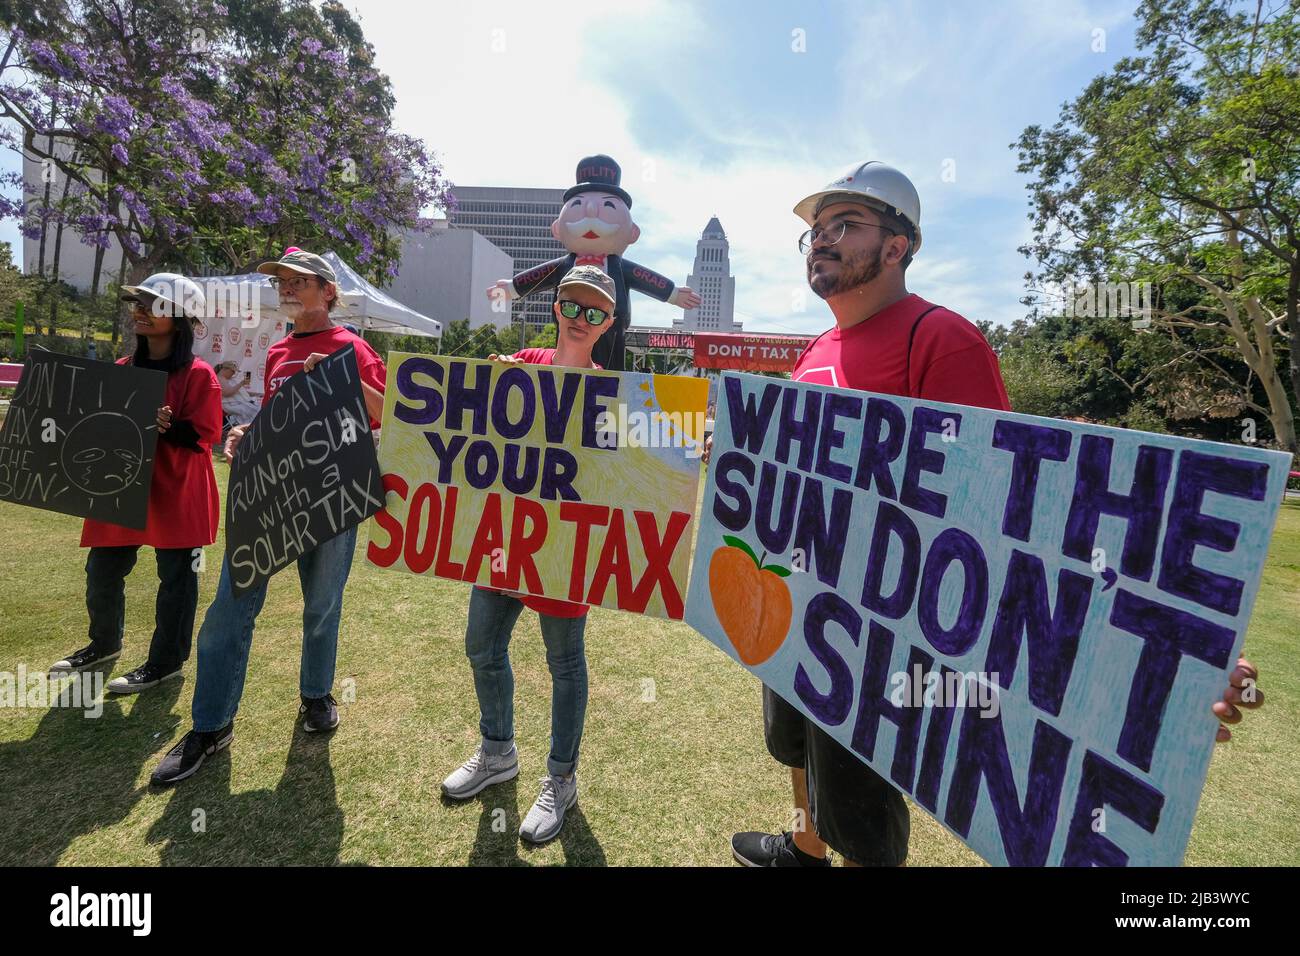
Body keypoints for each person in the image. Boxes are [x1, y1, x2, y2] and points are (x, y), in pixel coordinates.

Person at [707, 161, 1266, 867]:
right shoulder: (816, 349)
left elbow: (1013, 512)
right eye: (816, 232)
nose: (821, 241)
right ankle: (805, 847)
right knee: (794, 741)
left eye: (844, 225)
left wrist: (1168, 635)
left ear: (897, 246)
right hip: (797, 596)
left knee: (860, 797)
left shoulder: (942, 340)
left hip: (877, 620)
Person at [150, 247, 387, 786]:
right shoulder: (278, 351)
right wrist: (245, 434)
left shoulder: (354, 348)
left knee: (322, 607)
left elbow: (390, 413)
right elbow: (280, 419)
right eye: (281, 280)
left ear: (328, 292)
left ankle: (315, 696)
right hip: (271, 498)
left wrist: (345, 378)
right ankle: (210, 726)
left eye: (298, 280)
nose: (285, 287)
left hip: (334, 497)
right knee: (229, 608)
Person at [440, 265, 616, 844]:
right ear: (556, 306)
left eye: (595, 312)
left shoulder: (613, 392)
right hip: (501, 537)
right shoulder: (518, 368)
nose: (580, 318)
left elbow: (632, 473)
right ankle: (498, 751)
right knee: (481, 646)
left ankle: (560, 779)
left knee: (564, 666)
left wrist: (691, 441)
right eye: (573, 305)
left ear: (608, 323)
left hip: (564, 548)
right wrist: (488, 390)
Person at [51, 274, 222, 694]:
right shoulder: (122, 370)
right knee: (102, 573)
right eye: (139, 302)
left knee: (177, 581)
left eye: (154, 303)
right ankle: (104, 643)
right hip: (121, 487)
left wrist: (167, 426)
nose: (140, 310)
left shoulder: (199, 375)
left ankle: (165, 662)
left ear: (180, 317)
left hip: (176, 489)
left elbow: (204, 437)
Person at [486, 154, 700, 370]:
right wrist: (513, 288)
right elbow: (539, 276)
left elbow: (647, 278)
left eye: (608, 208)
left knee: (611, 372)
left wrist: (671, 293)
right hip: (558, 358)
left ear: (633, 233)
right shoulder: (530, 359)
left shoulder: (620, 269)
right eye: (570, 307)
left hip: (613, 337)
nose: (581, 319)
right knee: (567, 355)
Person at [215, 361, 259, 436]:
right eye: (232, 371)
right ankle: (251, 431)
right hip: (230, 404)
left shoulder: (228, 379)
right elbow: (227, 393)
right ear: (225, 369)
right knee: (251, 411)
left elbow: (239, 392)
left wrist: (256, 394)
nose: (233, 373)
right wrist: (241, 383)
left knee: (258, 408)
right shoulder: (219, 378)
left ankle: (254, 429)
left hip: (238, 402)